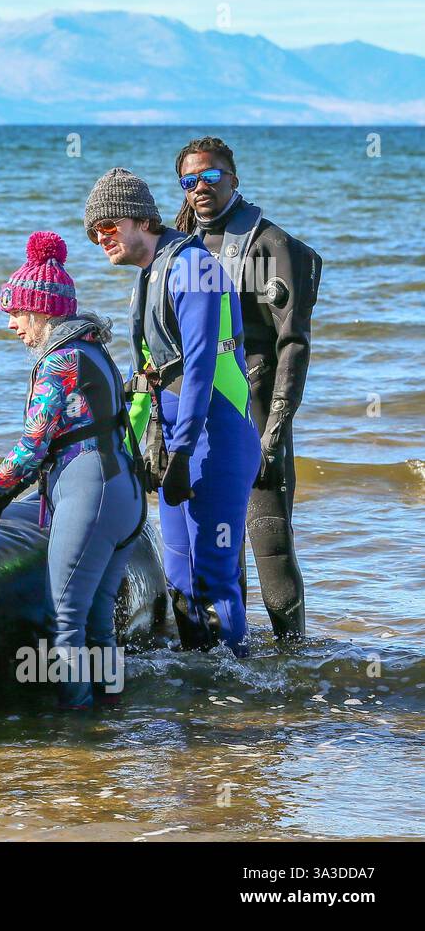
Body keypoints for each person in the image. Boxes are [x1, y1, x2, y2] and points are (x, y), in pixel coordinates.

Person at [83, 168, 260, 656]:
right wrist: (131, 451)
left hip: (216, 440)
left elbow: (201, 368)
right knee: (180, 578)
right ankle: (197, 697)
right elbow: (146, 377)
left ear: (138, 218)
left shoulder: (193, 268)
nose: (100, 239)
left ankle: (241, 698)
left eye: (107, 227)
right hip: (179, 441)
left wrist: (182, 454)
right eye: (93, 233)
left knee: (214, 579)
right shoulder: (151, 273)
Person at [0, 232, 144, 709]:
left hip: (90, 491)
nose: (11, 325)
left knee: (63, 616)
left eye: (15, 313)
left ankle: (77, 738)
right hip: (124, 491)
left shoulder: (59, 361)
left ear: (41, 311)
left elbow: (33, 443)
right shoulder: (94, 352)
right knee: (97, 619)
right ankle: (110, 715)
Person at [173, 136, 321, 640]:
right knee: (217, 551)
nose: (200, 187)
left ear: (233, 178)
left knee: (271, 545)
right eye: (189, 180)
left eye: (210, 176)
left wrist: (275, 432)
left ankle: (295, 663)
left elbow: (294, 344)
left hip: (258, 416)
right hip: (204, 420)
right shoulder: (182, 246)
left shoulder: (270, 245)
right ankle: (228, 670)